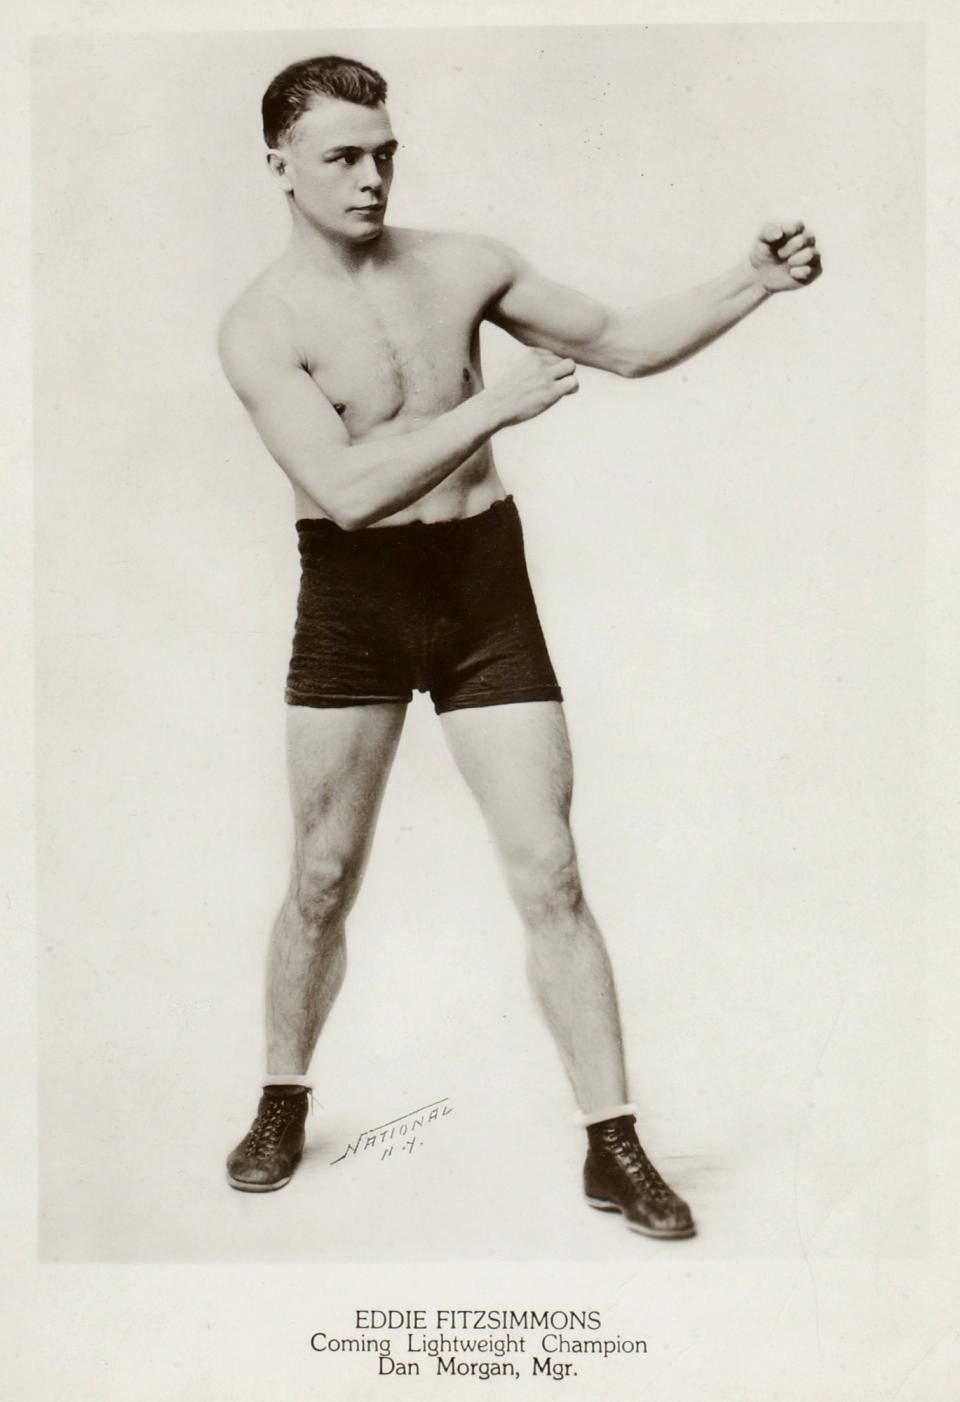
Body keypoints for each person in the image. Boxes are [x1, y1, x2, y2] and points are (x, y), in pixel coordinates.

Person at [218, 54, 822, 1239]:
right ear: (280, 165)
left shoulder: (462, 264)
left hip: (481, 586)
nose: (372, 177)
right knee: (324, 873)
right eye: (342, 157)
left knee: (550, 867)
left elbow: (625, 344)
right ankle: (282, 1096)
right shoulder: (260, 324)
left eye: (384, 152)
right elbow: (347, 491)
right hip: (355, 597)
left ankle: (614, 1141)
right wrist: (493, 406)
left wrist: (749, 281)